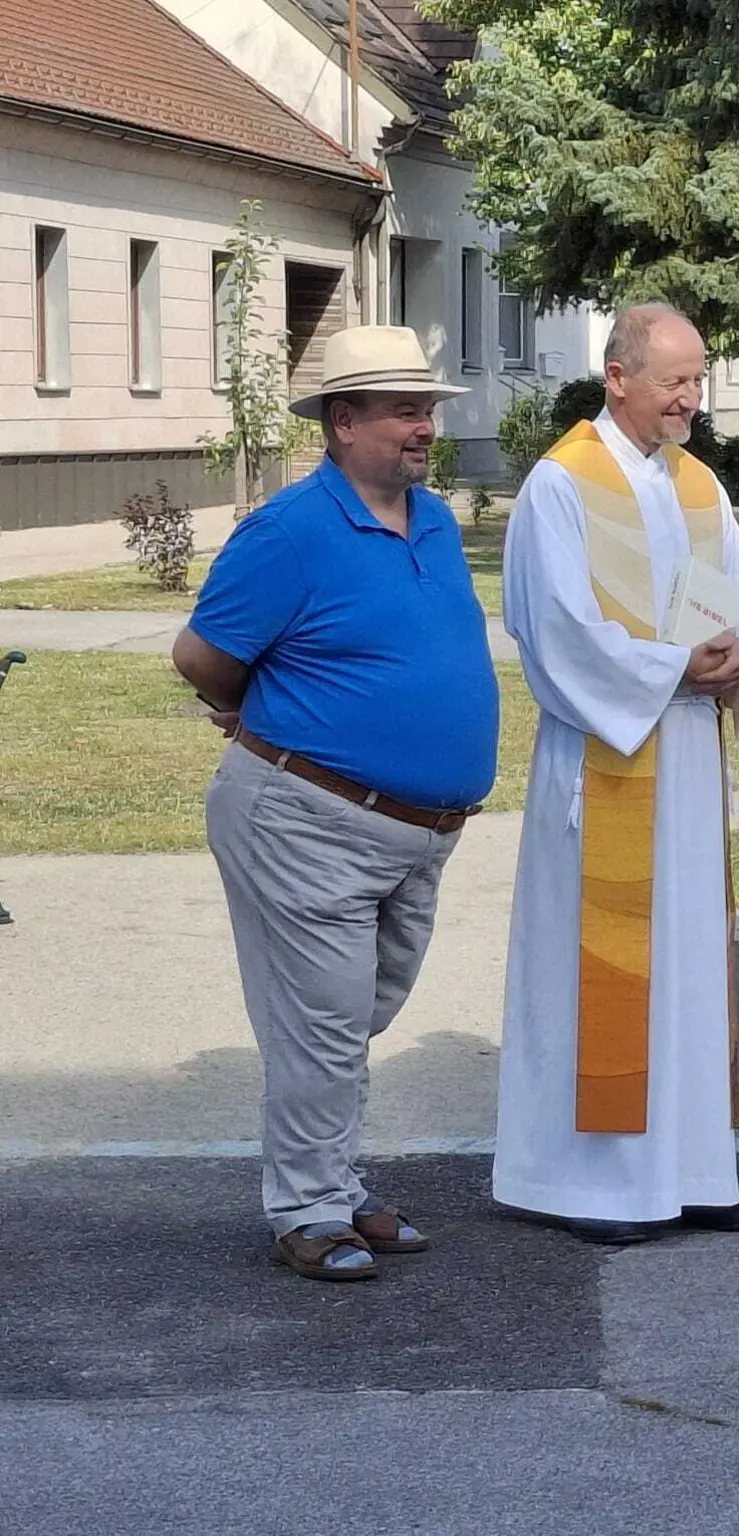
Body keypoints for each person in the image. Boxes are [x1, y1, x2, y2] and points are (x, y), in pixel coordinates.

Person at [173, 325, 496, 1281]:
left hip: (414, 835)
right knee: (322, 1018)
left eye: (428, 408)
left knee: (352, 1014)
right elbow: (200, 657)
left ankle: (332, 1177)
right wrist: (254, 721)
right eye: (404, 410)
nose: (425, 426)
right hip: (304, 817)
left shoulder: (431, 519)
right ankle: (310, 1208)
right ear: (342, 422)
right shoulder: (289, 532)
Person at [491, 303, 739, 1245]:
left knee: (690, 964)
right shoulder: (560, 485)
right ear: (619, 377)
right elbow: (556, 629)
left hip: (690, 760)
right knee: (609, 971)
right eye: (674, 382)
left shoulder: (696, 484)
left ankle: (695, 1169)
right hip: (608, 759)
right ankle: (600, 1187)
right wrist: (670, 670)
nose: (692, 399)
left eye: (699, 380)